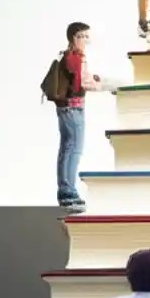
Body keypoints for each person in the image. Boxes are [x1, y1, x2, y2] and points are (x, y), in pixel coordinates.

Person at [54, 22, 103, 213]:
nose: (85, 40)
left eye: (86, 36)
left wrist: (93, 78)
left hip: (65, 109)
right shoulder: (76, 57)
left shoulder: (66, 55)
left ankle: (65, 190)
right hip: (74, 109)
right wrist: (103, 86)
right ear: (74, 37)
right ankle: (69, 191)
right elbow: (81, 83)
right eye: (83, 36)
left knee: (66, 149)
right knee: (74, 150)